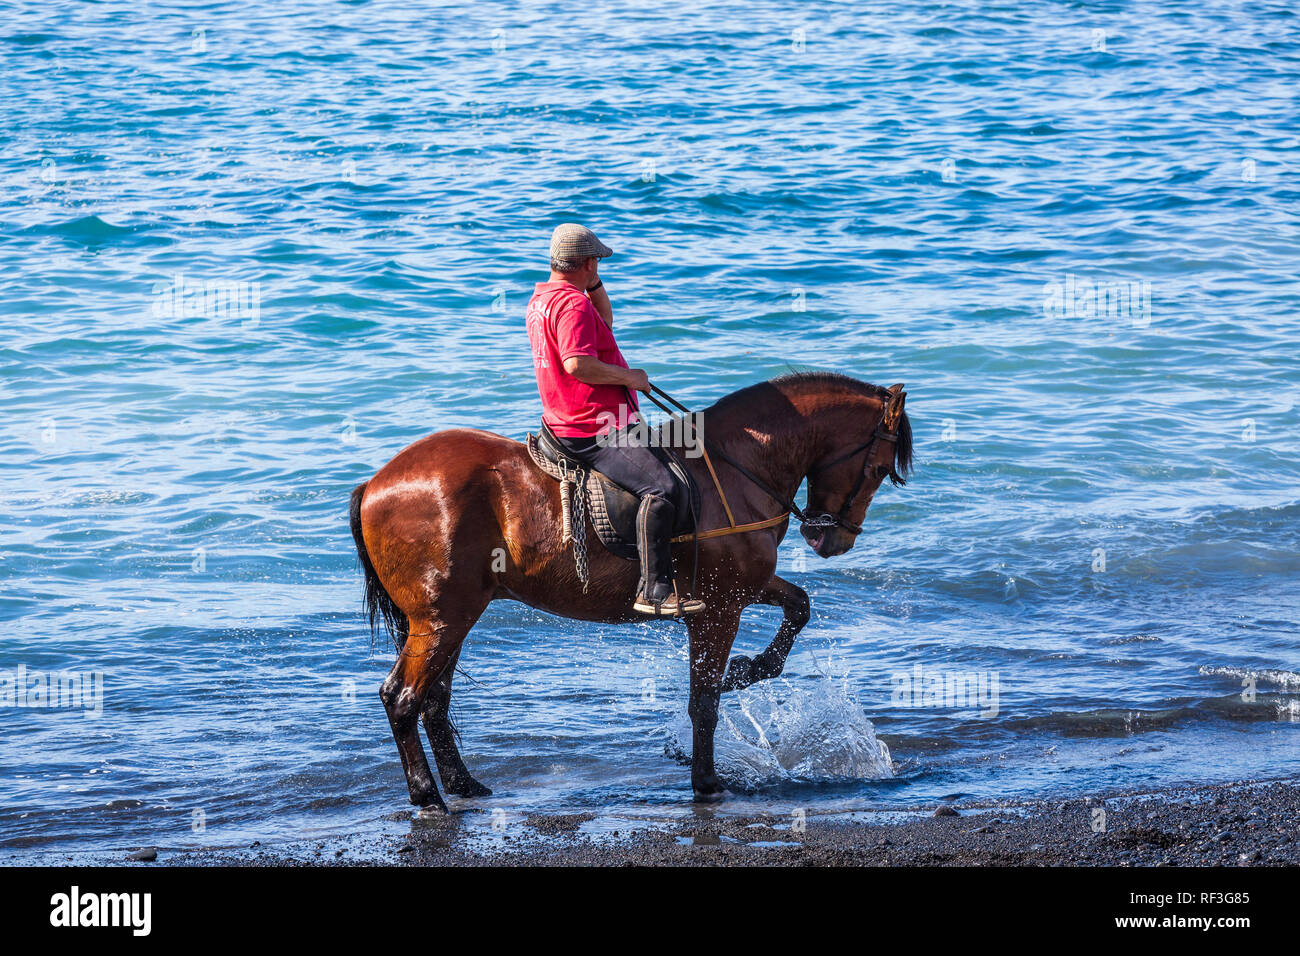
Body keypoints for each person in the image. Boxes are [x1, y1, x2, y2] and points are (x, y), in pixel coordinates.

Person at [525, 223, 704, 617]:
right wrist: (631, 378)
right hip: (593, 427)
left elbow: (603, 323)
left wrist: (591, 282)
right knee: (663, 488)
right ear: (586, 262)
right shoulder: (572, 305)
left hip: (565, 420)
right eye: (596, 263)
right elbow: (577, 364)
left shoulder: (545, 298)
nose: (599, 269)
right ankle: (654, 590)